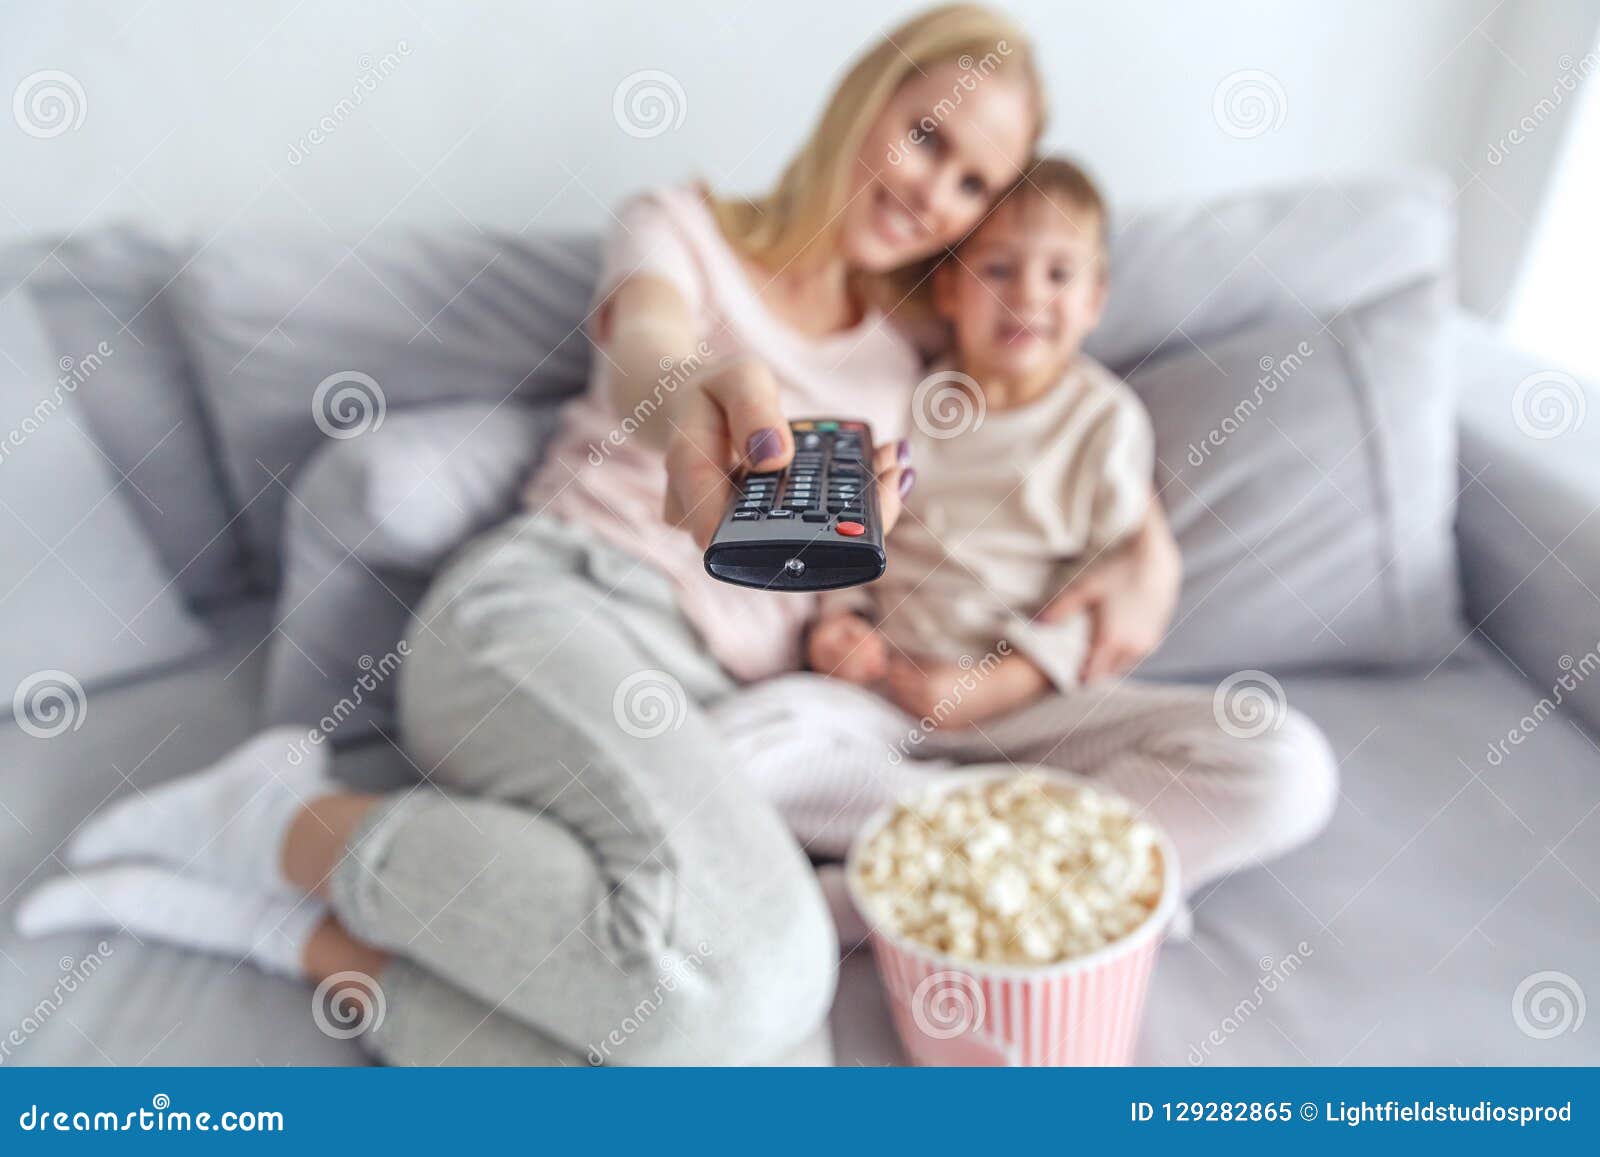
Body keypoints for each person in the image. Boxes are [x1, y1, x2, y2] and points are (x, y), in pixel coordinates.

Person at [16, 5, 1333, 1066]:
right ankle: (292, 828)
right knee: (759, 983)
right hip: (557, 608)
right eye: (928, 138)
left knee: (755, 1063)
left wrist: (1141, 549)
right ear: (869, 97)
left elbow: (1063, 438)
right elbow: (649, 347)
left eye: (974, 184)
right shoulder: (681, 227)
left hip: (737, 712)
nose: (936, 190)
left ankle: (313, 945)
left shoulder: (923, 355)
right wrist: (706, 404)